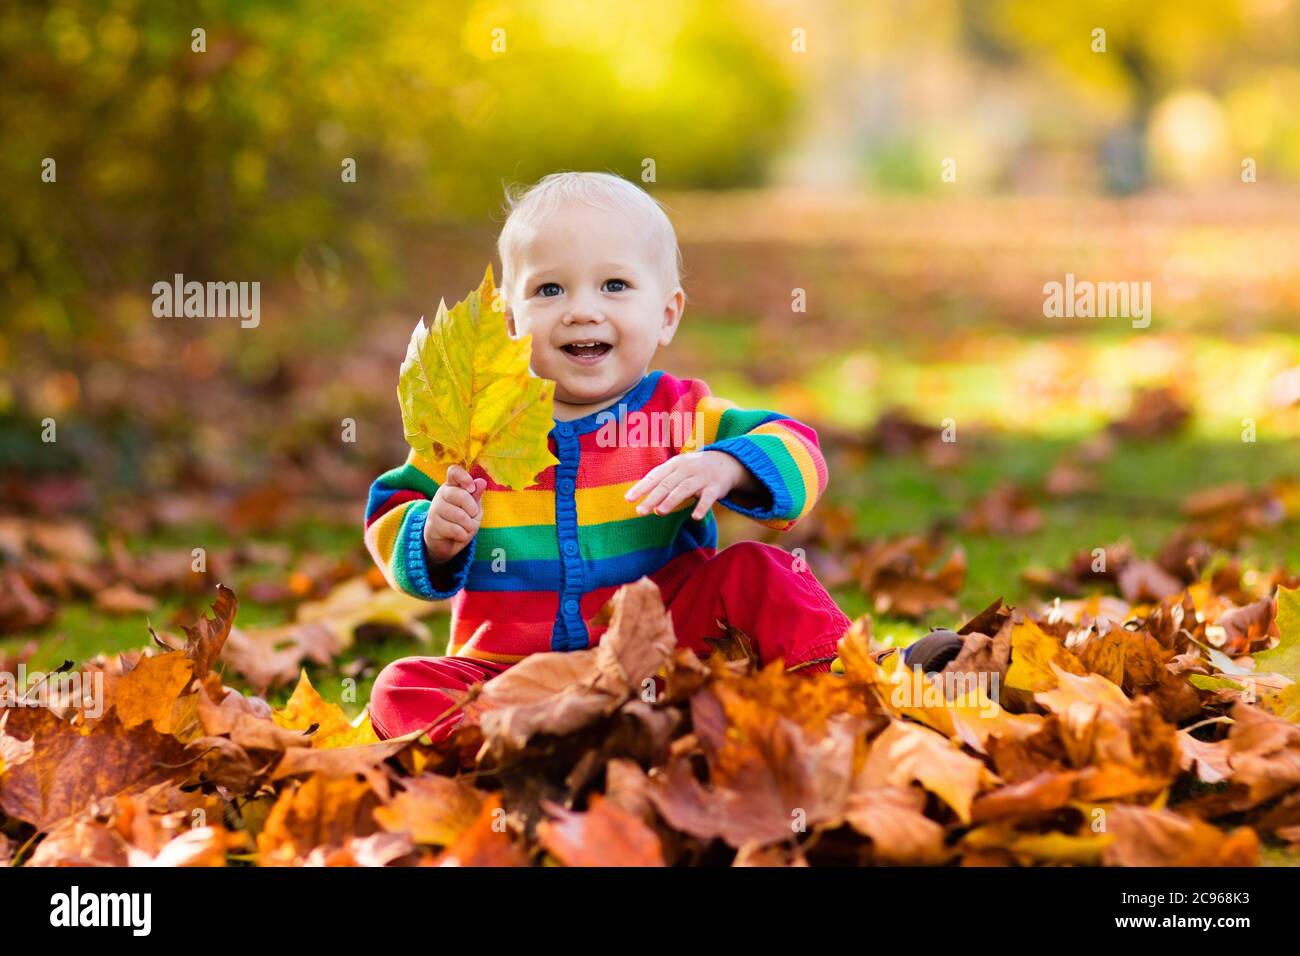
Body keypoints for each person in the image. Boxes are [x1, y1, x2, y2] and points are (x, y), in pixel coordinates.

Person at [363, 171, 850, 742]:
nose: (581, 311)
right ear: (510, 321)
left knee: (762, 572)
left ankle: (844, 685)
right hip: (513, 680)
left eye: (614, 285)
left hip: (666, 656)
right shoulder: (476, 427)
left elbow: (800, 449)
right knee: (401, 688)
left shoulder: (681, 413)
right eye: (550, 290)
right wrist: (429, 538)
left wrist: (729, 465)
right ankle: (523, 752)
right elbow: (390, 508)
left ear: (667, 314)